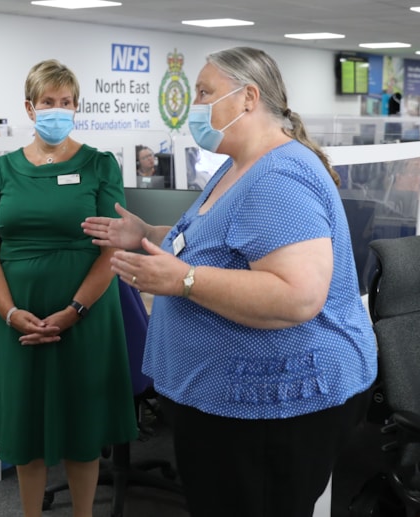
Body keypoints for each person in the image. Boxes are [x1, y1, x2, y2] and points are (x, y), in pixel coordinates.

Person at [82, 46, 378, 517]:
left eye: (204, 92)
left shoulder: (279, 176)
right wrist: (148, 235)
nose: (193, 104)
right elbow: (213, 242)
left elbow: (297, 296)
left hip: (271, 408)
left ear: (248, 98)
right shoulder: (238, 163)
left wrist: (185, 282)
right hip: (233, 401)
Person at [0, 59, 138, 517]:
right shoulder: (1, 170)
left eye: (66, 103)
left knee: (82, 427)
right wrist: (8, 312)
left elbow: (111, 251)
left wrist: (74, 310)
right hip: (16, 317)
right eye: (49, 102)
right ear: (30, 107)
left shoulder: (100, 165)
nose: (58, 110)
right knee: (26, 427)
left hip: (85, 314)